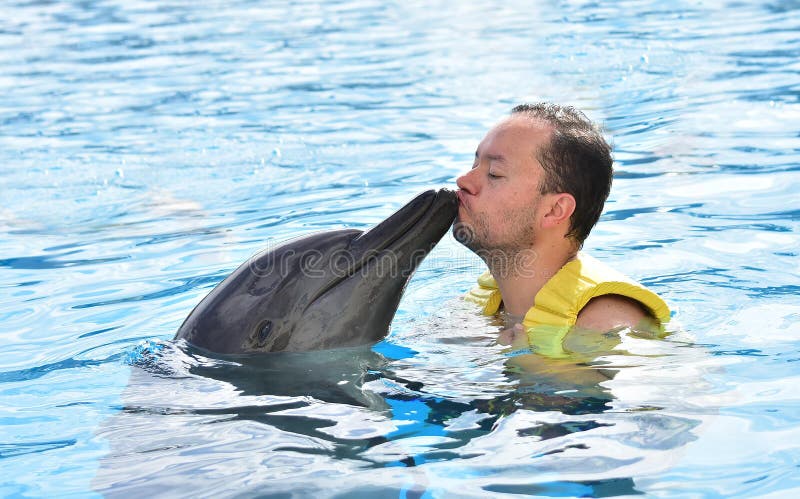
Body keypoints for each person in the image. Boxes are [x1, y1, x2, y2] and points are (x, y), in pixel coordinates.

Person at [454, 103, 671, 359]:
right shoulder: (485, 307)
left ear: (555, 210)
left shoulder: (608, 322)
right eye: (474, 164)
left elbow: (674, 394)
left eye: (494, 174)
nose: (463, 180)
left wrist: (529, 367)